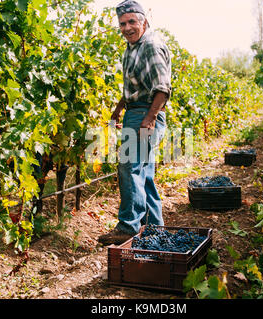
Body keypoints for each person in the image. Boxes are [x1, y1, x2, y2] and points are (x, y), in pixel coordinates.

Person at [98, 0, 172, 245]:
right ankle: (153, 227)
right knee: (142, 172)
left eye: (132, 21)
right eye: (122, 23)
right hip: (136, 112)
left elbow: (162, 88)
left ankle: (128, 226)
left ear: (144, 21)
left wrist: (149, 119)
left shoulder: (150, 44)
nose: (127, 27)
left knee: (129, 167)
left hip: (145, 114)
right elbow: (135, 86)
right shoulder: (132, 47)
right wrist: (119, 108)